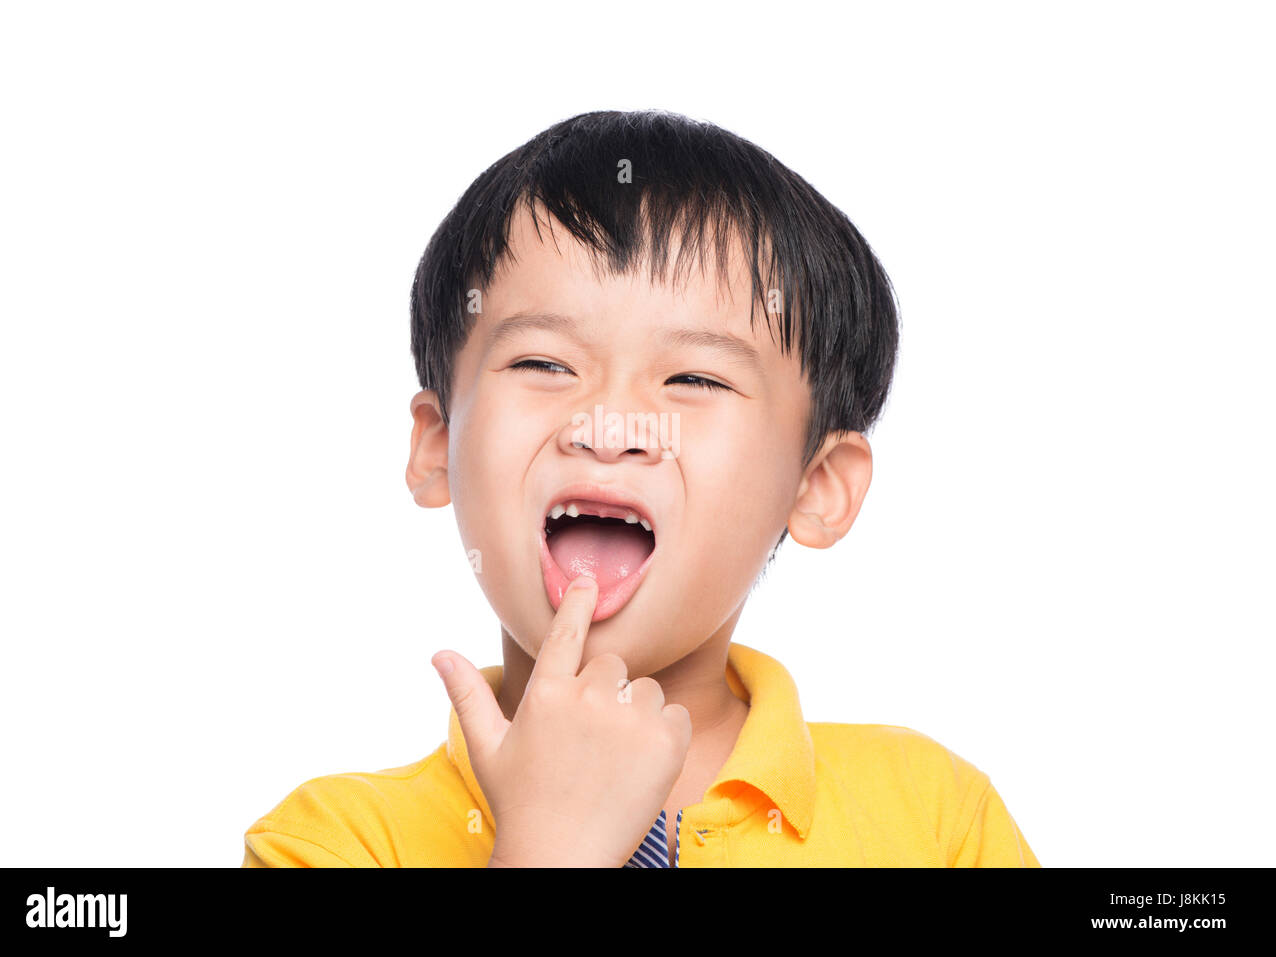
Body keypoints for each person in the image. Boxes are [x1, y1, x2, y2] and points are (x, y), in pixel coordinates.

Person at [242, 109, 1040, 867]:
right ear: (437, 443)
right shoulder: (334, 841)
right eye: (543, 364)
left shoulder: (934, 820)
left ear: (818, 485)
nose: (611, 422)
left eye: (693, 376)